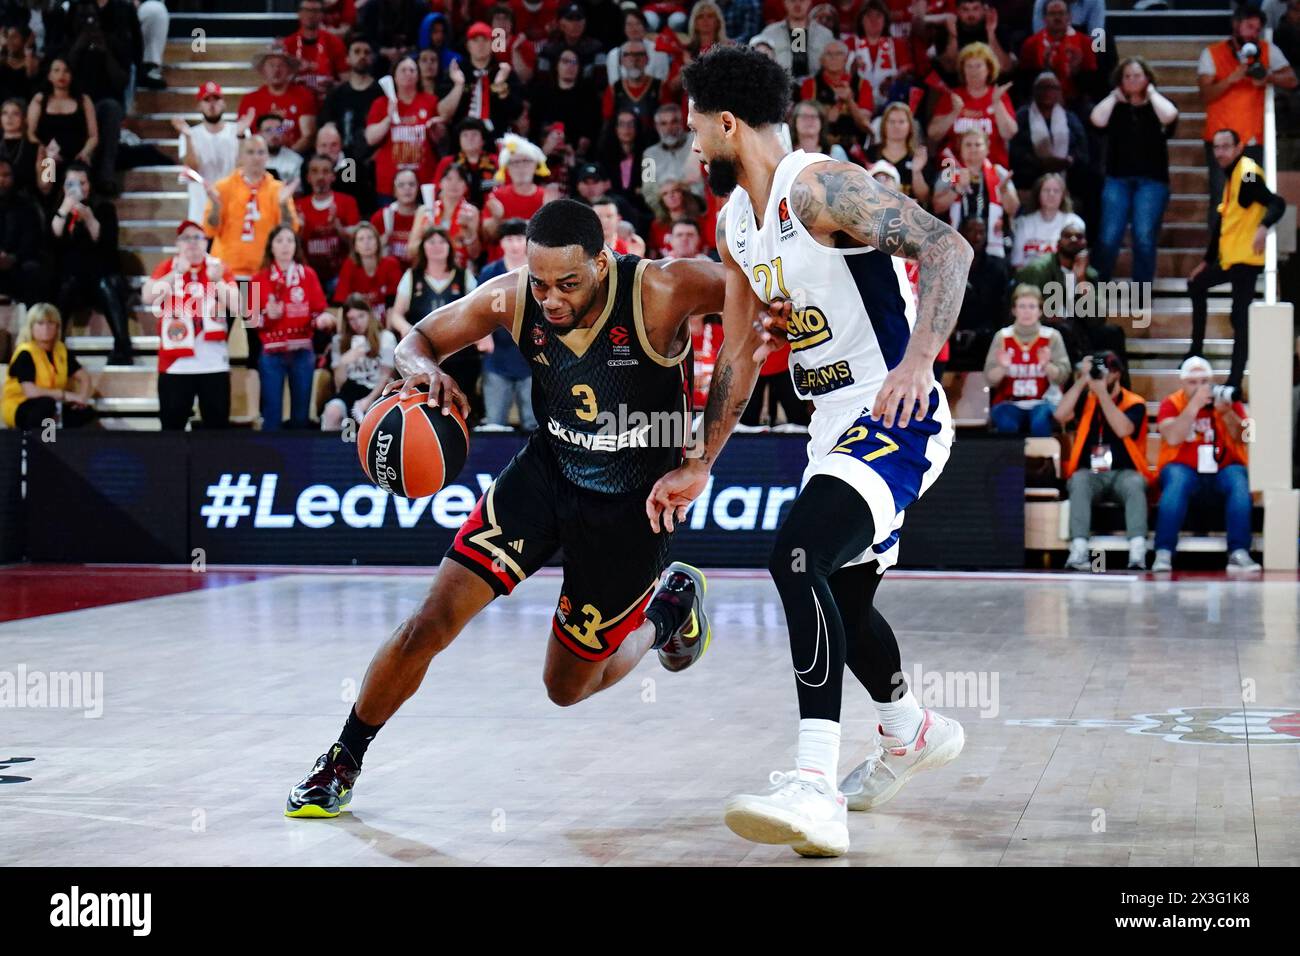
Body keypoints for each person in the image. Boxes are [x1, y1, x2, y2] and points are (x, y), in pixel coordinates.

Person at [284, 199, 726, 818]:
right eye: (540, 282)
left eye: (567, 283)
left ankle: (669, 612)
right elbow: (418, 339)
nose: (550, 299)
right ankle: (342, 757)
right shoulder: (513, 298)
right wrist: (420, 371)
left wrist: (708, 441)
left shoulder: (663, 287)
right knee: (429, 622)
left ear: (602, 262)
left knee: (566, 688)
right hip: (547, 475)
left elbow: (757, 298)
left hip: (634, 506)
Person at [647, 45, 972, 858]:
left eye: (696, 134)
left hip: (895, 408)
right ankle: (909, 731)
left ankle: (814, 783)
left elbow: (947, 249)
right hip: (832, 423)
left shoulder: (818, 186)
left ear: (728, 125)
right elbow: (738, 356)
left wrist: (919, 363)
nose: (692, 150)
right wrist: (700, 461)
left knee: (794, 556)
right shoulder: (734, 222)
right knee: (845, 601)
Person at [1187, 128, 1287, 392]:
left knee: (1239, 317)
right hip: (1231, 258)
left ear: (1238, 147)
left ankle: (1235, 381)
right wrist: (1207, 262)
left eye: (1225, 147)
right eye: (1216, 147)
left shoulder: (1247, 171)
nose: (1219, 152)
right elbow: (1222, 223)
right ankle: (1195, 352)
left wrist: (1264, 227)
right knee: (1196, 284)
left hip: (1247, 259)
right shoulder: (1232, 177)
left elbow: (1277, 202)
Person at [1152, 356, 1259, 573]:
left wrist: (1227, 413)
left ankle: (1239, 552)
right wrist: (1194, 406)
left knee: (1239, 480)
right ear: (1182, 383)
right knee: (1177, 481)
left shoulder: (1227, 401)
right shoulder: (1171, 403)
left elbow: (1248, 436)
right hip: (1184, 468)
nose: (1199, 387)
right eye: (1193, 382)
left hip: (1222, 469)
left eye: (1204, 382)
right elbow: (1172, 437)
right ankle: (1163, 551)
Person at [1198, 4, 1296, 229]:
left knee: (1251, 197)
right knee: (1220, 198)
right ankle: (1218, 259)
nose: (1253, 32)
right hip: (1220, 142)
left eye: (1257, 28)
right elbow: (1205, 94)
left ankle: (1247, 256)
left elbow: (1292, 80)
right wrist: (1232, 78)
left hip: (1252, 142)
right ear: (1236, 25)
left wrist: (1268, 77)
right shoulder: (1212, 53)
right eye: (1249, 26)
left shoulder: (1266, 49)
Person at [1054, 351, 1152, 571]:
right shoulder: (1086, 398)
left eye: (1104, 373)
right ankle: (1078, 549)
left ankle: (1137, 549)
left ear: (1116, 374)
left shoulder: (1135, 403)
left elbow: (1123, 428)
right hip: (1091, 473)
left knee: (1135, 485)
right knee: (1078, 481)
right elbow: (1060, 415)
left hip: (1124, 472)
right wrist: (1082, 381)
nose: (1099, 378)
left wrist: (1102, 395)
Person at [145, 220, 241, 431]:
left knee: (216, 433)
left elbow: (237, 305)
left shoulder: (218, 267)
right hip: (175, 365)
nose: (192, 243)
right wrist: (175, 274)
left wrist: (217, 282)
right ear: (177, 244)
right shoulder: (167, 267)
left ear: (206, 242)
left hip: (213, 363)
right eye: (186, 238)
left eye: (197, 237)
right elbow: (147, 296)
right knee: (172, 430)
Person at [1089, 57, 1178, 283]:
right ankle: (1097, 290)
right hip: (1117, 179)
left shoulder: (1156, 107)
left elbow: (1170, 116)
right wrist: (1113, 97)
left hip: (1152, 181)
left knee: (1143, 236)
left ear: (1147, 78)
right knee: (1108, 237)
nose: (1132, 80)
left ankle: (1141, 291)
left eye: (1137, 75)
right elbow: (1096, 120)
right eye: (1127, 76)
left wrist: (1152, 94)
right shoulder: (1114, 107)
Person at [247, 224, 336, 430]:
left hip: (302, 351)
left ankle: (300, 460)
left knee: (301, 415)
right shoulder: (255, 277)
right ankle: (270, 460)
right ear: (271, 247)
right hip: (271, 354)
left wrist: (322, 320)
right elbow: (248, 322)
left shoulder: (309, 274)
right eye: (279, 241)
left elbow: (319, 311)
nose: (285, 245)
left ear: (296, 246)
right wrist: (267, 316)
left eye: (290, 240)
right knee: (271, 414)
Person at [50, 162, 133, 366]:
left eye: (82, 183)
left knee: (108, 283)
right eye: (71, 183)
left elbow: (106, 245)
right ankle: (53, 347)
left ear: (90, 185)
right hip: (72, 280)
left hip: (100, 277)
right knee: (62, 285)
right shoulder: (57, 208)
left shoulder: (104, 209)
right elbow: (52, 241)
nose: (77, 188)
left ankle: (122, 346)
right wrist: (64, 210)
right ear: (63, 186)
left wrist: (88, 218)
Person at [203, 135, 299, 279]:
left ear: (267, 157)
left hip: (262, 273)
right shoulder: (223, 187)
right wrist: (216, 206)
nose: (256, 157)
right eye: (250, 152)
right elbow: (210, 230)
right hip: (226, 273)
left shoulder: (278, 189)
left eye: (261, 152)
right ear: (240, 157)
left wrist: (283, 205)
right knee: (231, 302)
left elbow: (290, 230)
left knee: (253, 302)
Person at [364, 54, 453, 202]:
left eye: (412, 70)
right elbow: (371, 139)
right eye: (403, 70)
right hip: (390, 183)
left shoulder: (430, 101)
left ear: (418, 75)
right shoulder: (381, 103)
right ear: (394, 76)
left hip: (425, 181)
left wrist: (437, 130)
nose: (408, 74)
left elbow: (440, 140)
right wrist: (388, 118)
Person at [984, 283, 1070, 436]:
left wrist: (1047, 366)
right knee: (1006, 423)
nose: (1027, 311)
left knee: (1040, 422)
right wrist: (1002, 368)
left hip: (1044, 402)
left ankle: (1042, 459)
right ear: (1014, 310)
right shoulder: (1002, 337)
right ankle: (1009, 460)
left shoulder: (1051, 337)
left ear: (1040, 311)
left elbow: (1063, 376)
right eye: (1022, 306)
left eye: (1031, 306)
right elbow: (990, 379)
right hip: (1009, 402)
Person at [475, 218, 536, 431]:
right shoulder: (489, 273)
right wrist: (483, 336)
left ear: (528, 242)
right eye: (509, 239)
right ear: (501, 243)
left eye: (519, 238)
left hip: (533, 357)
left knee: (534, 424)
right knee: (494, 424)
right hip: (498, 356)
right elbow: (476, 310)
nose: (515, 244)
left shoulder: (538, 272)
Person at [1007, 71, 1090, 221]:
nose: (1047, 92)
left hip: (1065, 185)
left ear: (1059, 92)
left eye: (1052, 88)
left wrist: (1069, 161)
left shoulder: (1070, 119)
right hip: (1028, 185)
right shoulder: (1021, 117)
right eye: (1042, 87)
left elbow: (1083, 153)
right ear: (1034, 91)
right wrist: (1039, 163)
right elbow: (1014, 153)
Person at [2, 302, 94, 429]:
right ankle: (42, 442)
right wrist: (65, 395)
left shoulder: (60, 350)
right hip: (21, 405)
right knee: (45, 406)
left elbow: (84, 377)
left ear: (57, 327)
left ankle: (60, 442)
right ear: (31, 327)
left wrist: (82, 398)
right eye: (40, 324)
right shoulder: (25, 353)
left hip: (52, 403)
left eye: (51, 323)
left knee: (85, 412)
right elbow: (31, 392)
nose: (46, 328)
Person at [928, 41, 1017, 170]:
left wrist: (997, 104)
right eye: (968, 66)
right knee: (944, 188)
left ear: (989, 69)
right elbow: (933, 134)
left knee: (1004, 189)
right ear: (962, 70)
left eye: (978, 66)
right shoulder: (952, 96)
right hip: (951, 167)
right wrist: (954, 113)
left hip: (992, 167)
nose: (973, 71)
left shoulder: (999, 95)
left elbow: (1009, 133)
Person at [931, 127, 1018, 259]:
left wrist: (1004, 191)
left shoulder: (1000, 173)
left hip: (992, 250)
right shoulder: (949, 174)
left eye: (977, 144)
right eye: (968, 144)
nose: (973, 148)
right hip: (954, 250)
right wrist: (958, 187)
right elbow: (937, 207)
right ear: (961, 147)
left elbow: (1013, 209)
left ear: (987, 147)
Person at [175, 82, 246, 225]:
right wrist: (188, 137)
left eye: (216, 99)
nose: (212, 104)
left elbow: (243, 169)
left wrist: (241, 136)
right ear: (199, 106)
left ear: (224, 103)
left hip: (233, 209)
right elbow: (192, 168)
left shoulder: (239, 131)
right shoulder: (189, 134)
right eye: (206, 100)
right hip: (201, 211)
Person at [321, 294, 395, 430]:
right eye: (351, 319)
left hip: (377, 390)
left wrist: (368, 400)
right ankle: (330, 450)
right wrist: (343, 362)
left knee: (379, 415)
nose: (357, 323)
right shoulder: (339, 340)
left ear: (370, 315)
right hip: (350, 388)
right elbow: (339, 385)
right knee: (331, 412)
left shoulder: (386, 338)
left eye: (361, 316)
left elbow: (386, 376)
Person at [26, 57, 97, 191]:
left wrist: (84, 152)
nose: (61, 75)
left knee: (76, 183)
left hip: (77, 157)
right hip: (49, 156)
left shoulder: (84, 100)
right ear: (49, 75)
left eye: (66, 71)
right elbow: (30, 133)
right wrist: (45, 150)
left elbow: (93, 136)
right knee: (46, 184)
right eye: (56, 70)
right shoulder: (40, 99)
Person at [318, 36, 384, 174]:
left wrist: (375, 157)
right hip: (343, 163)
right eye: (357, 52)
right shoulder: (336, 94)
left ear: (372, 58)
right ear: (347, 58)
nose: (362, 56)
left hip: (375, 161)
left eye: (366, 52)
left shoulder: (382, 92)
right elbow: (328, 128)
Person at [296, 152, 360, 291]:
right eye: (315, 171)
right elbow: (293, 247)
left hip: (339, 274)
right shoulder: (298, 206)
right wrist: (299, 229)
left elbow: (356, 245)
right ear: (308, 178)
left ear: (333, 176)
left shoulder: (347, 202)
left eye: (325, 172)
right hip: (309, 274)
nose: (320, 177)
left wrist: (337, 227)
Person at [1018, 0, 1099, 110]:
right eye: (1052, 14)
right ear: (1044, 18)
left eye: (1061, 13)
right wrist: (1045, 69)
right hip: (1040, 101)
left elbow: (1092, 85)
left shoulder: (1085, 43)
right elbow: (1024, 83)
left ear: (1069, 17)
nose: (1057, 17)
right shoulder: (1031, 43)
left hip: (1074, 101)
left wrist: (1075, 70)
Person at [239, 47, 317, 154]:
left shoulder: (303, 96)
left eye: (281, 65)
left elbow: (308, 135)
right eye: (271, 65)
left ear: (289, 69)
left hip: (294, 159)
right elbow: (243, 135)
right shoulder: (250, 100)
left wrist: (288, 157)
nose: (276, 70)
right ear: (263, 70)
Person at [332, 220, 403, 323]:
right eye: (361, 239)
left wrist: (388, 333)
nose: (366, 242)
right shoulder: (349, 266)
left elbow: (393, 304)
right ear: (355, 246)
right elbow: (341, 304)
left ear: (378, 242)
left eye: (370, 238)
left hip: (386, 323)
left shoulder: (391, 264)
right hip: (358, 326)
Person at [1009, 172, 1085, 269]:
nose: (1051, 194)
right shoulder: (1023, 223)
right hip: (1031, 278)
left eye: (1056, 191)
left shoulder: (1075, 223)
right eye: (1046, 190)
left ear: (1063, 195)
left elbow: (1078, 262)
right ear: (1038, 194)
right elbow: (1017, 263)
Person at [283, 0, 348, 106]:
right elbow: (282, 82)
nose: (310, 15)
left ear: (322, 14)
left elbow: (346, 80)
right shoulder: (288, 44)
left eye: (315, 11)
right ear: (299, 13)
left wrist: (332, 85)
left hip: (328, 102)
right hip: (296, 104)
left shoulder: (335, 42)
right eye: (306, 10)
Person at [755, 0, 836, 82]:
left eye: (802, 0)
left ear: (809, 1)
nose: (797, 4)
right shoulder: (770, 33)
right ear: (784, 2)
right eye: (792, 0)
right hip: (780, 88)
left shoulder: (825, 35)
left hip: (817, 89)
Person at [0, 158, 44, 307]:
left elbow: (32, 241)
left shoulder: (26, 206)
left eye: (6, 175)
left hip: (18, 264)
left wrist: (12, 258)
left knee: (33, 270)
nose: (1, 180)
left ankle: (33, 326)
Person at [866, 102, 929, 204]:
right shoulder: (870, 154)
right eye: (891, 122)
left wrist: (916, 172)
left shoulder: (919, 156)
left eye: (901, 122)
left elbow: (925, 199)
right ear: (884, 125)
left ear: (910, 126)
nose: (896, 126)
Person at [258, 112, 304, 189]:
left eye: (279, 130)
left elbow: (299, 192)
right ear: (259, 133)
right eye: (268, 130)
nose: (274, 134)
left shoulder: (296, 160)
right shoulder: (250, 158)